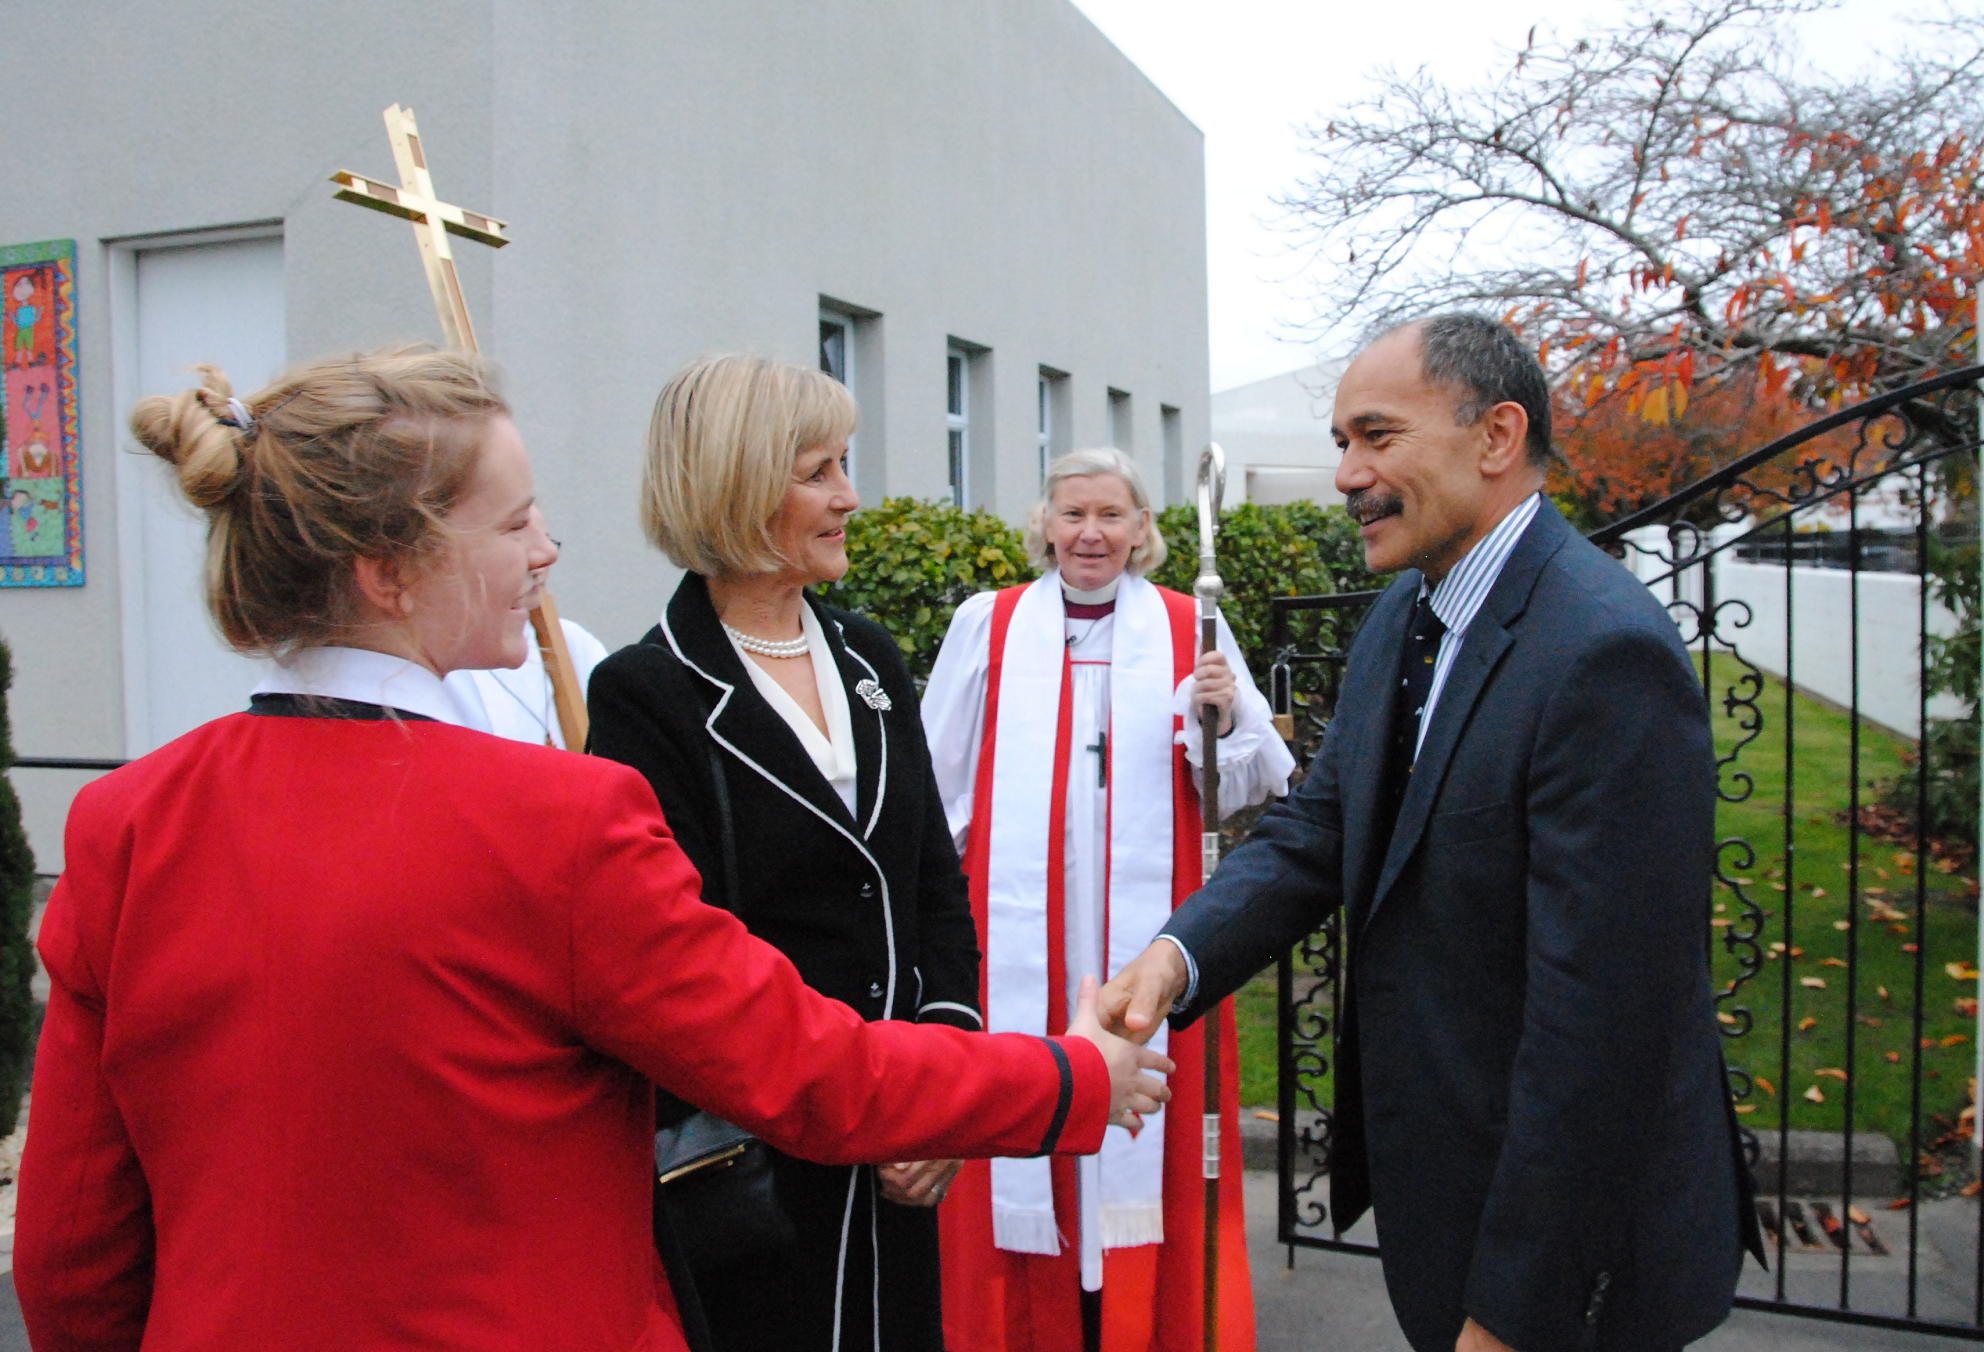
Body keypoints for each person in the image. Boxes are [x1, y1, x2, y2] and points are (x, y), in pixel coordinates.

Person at [14, 347, 1174, 1352]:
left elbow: (71, 1242)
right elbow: (795, 1061)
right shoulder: (558, 817)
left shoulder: (125, 821)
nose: (549, 549)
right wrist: (1066, 1075)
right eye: (513, 520)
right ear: (389, 570)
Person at [1102, 314, 1764, 1352]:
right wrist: (1174, 956)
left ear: (1495, 436)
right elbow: (1321, 822)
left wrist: (1509, 1313)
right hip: (1449, 1209)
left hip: (1566, 1265)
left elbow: (1598, 1031)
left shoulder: (1603, 653)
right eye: (1338, 442)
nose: (1344, 474)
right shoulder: (1404, 615)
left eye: (1374, 435)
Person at [586, 354, 982, 1352]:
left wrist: (938, 1083)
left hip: (903, 1154)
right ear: (737, 481)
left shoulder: (871, 658)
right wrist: (854, 1097)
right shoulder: (648, 693)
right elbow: (675, 963)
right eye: (819, 469)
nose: (850, 496)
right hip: (758, 1172)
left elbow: (933, 885)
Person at [920, 446, 1294, 1352]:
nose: (1092, 533)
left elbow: (1250, 785)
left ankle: (1140, 1319)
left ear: (1142, 531)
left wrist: (1225, 715)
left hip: (1151, 935)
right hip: (1019, 935)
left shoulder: (1187, 626)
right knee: (1023, 1110)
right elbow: (937, 787)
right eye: (1074, 514)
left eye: (1112, 516)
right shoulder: (990, 624)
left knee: (1146, 1142)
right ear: (1044, 525)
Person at [443, 507, 608, 746]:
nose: (542, 563)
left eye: (547, 540)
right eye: (520, 547)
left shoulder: (572, 641)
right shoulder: (449, 651)